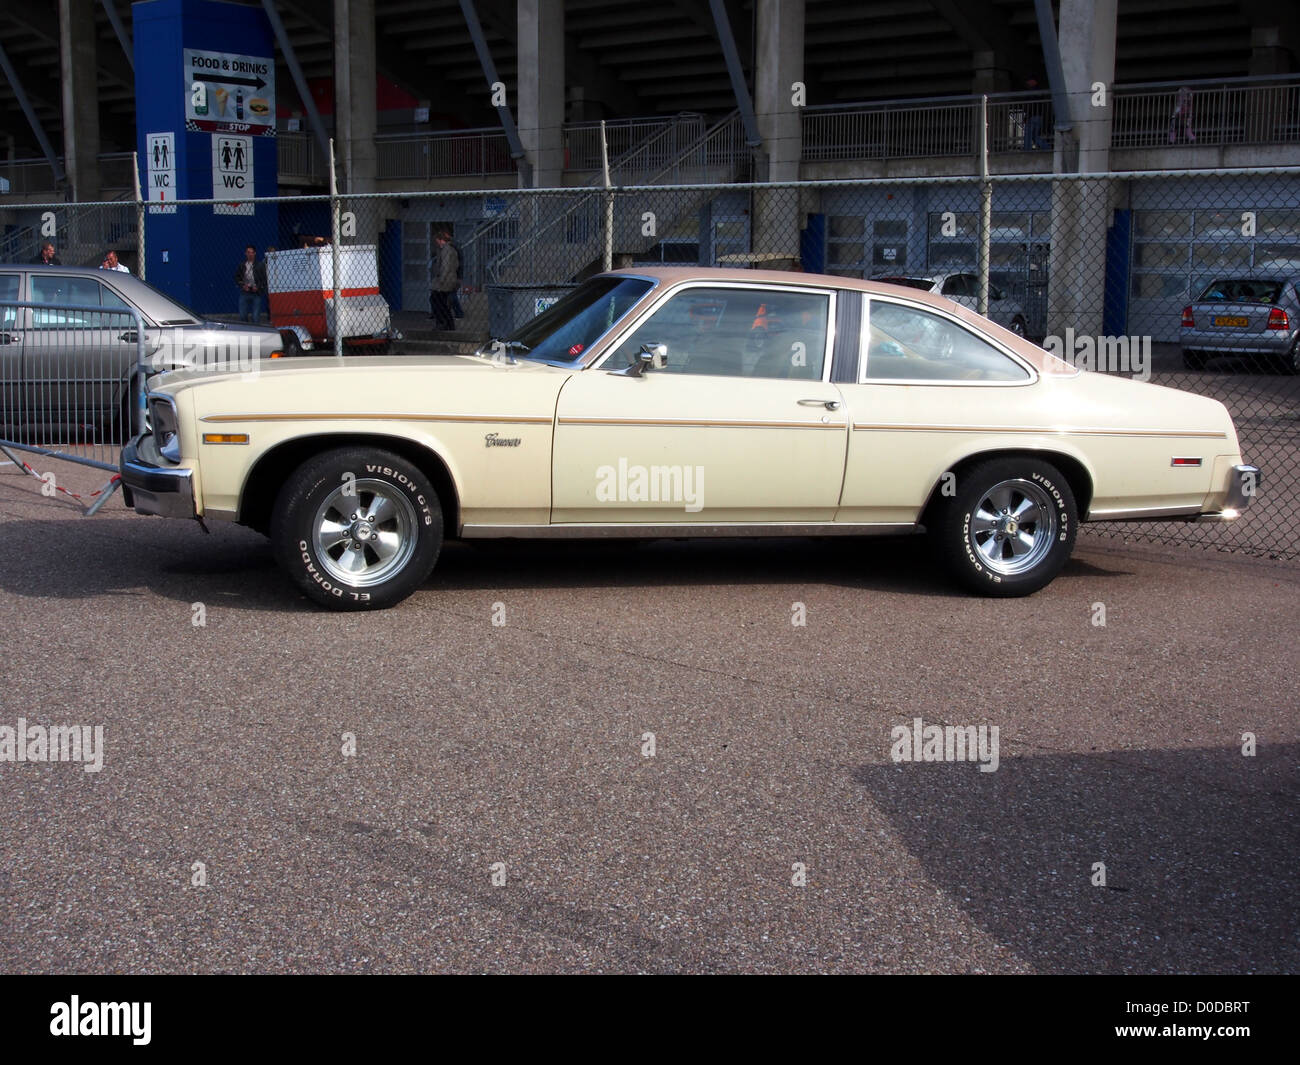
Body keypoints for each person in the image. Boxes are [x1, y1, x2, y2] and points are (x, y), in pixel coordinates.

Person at [428, 231, 459, 330]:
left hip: (445, 281)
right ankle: (448, 324)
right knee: (442, 302)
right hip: (449, 279)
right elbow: (455, 265)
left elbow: (445, 266)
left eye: (438, 241)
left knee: (436, 300)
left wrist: (441, 279)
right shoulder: (451, 250)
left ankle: (442, 322)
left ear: (441, 240)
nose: (437, 243)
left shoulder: (445, 250)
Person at [233, 244, 268, 323]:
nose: (250, 254)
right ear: (245, 253)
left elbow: (264, 279)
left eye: (252, 252)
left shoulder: (260, 265)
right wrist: (242, 285)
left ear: (255, 253)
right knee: (243, 315)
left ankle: (256, 330)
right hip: (245, 291)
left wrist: (258, 287)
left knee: (255, 317)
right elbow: (237, 277)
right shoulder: (242, 265)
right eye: (248, 252)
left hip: (256, 292)